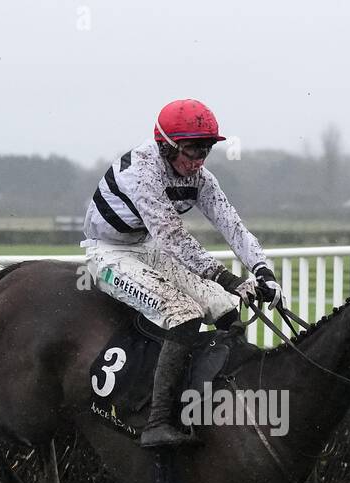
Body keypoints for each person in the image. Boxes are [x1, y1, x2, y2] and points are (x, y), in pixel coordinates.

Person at [82, 98, 283, 448]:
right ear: (166, 145)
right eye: (192, 150)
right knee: (184, 314)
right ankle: (157, 421)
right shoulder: (142, 171)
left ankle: (224, 401)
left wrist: (263, 270)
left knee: (225, 308)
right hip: (108, 253)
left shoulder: (201, 177)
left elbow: (232, 225)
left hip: (147, 247)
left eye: (206, 149)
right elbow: (172, 235)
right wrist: (227, 277)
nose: (199, 160)